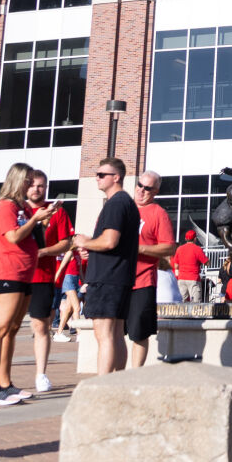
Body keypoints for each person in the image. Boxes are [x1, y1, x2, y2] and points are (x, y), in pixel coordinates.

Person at [0, 163, 57, 404]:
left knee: (13, 329)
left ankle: (6, 384)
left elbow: (29, 235)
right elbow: (13, 236)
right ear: (18, 181)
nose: (31, 186)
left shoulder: (21, 207)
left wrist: (38, 219)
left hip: (25, 274)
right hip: (9, 272)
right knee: (0, 329)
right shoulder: (6, 206)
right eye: (28, 181)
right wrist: (35, 219)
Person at [74, 157, 140, 375]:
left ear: (116, 177)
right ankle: (116, 382)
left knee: (104, 335)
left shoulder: (116, 203)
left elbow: (110, 241)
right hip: (119, 276)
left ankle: (103, 384)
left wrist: (86, 242)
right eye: (97, 174)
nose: (97, 178)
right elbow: (111, 243)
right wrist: (92, 247)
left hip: (107, 278)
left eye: (102, 175)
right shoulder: (126, 202)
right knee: (116, 333)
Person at [24, 170, 75, 393]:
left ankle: (41, 374)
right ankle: (3, 378)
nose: (37, 189)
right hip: (16, 275)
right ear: (25, 187)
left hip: (42, 276)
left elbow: (66, 243)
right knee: (7, 327)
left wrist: (44, 251)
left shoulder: (57, 212)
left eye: (41, 186)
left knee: (40, 325)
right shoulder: (18, 210)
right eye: (33, 185)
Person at [128, 170, 176, 367]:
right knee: (113, 331)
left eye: (147, 188)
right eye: (139, 185)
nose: (141, 190)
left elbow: (169, 247)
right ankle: (113, 376)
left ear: (155, 191)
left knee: (139, 333)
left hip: (143, 280)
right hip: (118, 279)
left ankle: (135, 374)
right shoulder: (122, 207)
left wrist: (140, 248)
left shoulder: (158, 213)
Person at [54, 245, 85, 341]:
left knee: (68, 309)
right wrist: (54, 281)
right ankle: (79, 333)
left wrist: (84, 284)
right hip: (69, 281)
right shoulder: (69, 253)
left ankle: (59, 333)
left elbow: (80, 271)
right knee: (77, 307)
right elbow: (61, 268)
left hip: (75, 281)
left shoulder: (77, 254)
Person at [173, 227, 207, 304]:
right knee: (196, 304)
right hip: (193, 279)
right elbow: (206, 262)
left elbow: (176, 266)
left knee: (181, 302)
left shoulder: (179, 249)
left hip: (181, 279)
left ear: (185, 239)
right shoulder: (197, 249)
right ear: (195, 239)